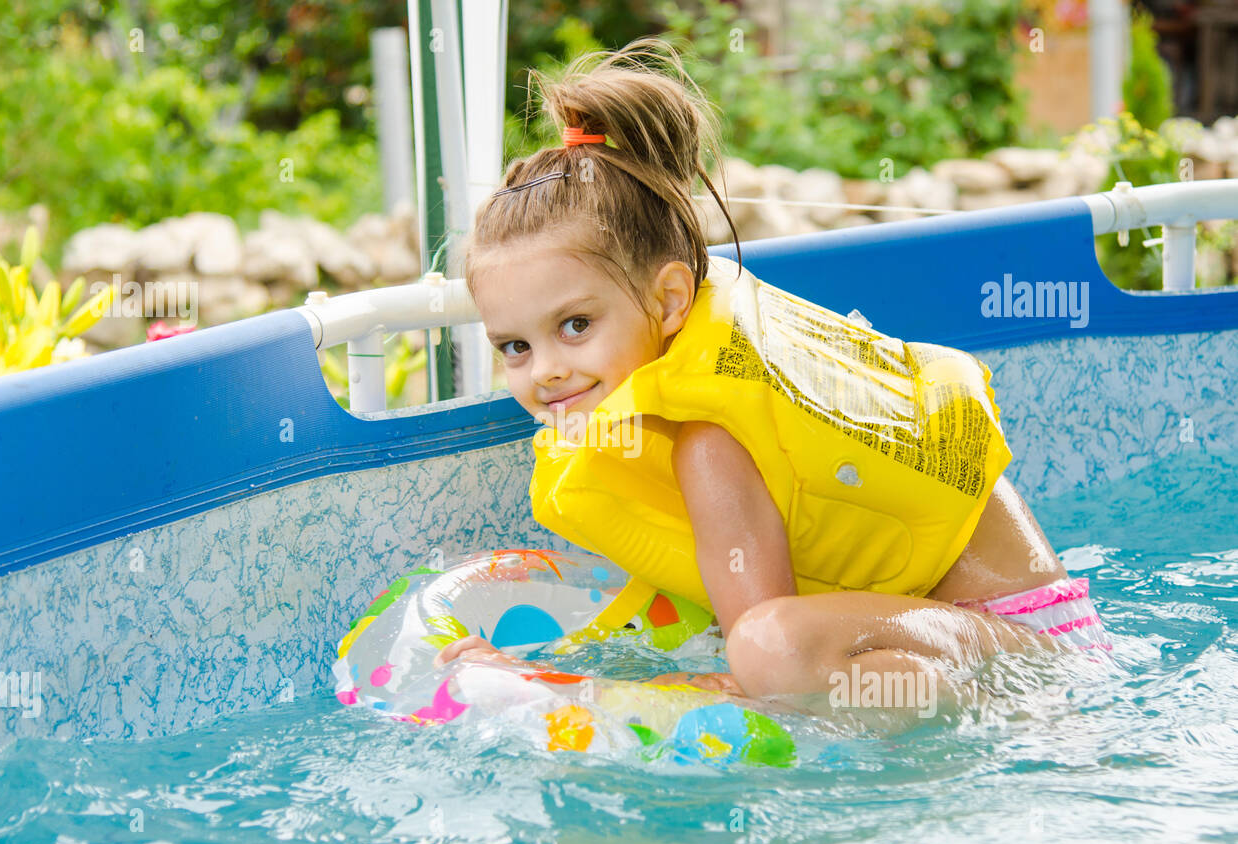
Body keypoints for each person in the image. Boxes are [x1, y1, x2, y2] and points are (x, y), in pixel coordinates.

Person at [437, 38, 1110, 710]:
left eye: (576, 326)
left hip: (1027, 657)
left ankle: (972, 714)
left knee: (767, 646)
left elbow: (754, 679)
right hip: (1023, 633)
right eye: (515, 347)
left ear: (669, 300)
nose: (546, 371)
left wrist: (545, 686)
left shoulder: (709, 437)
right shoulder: (711, 359)